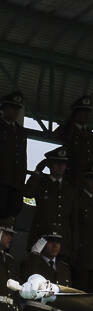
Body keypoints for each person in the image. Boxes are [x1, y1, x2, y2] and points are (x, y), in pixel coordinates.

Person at [0, 92, 26, 220]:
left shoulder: (21, 132)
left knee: (9, 220)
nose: (16, 112)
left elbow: (22, 159)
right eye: (12, 108)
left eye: (17, 109)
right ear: (4, 108)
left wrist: (21, 183)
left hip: (15, 184)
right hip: (1, 181)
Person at [20, 219, 70, 285]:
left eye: (58, 242)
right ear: (41, 242)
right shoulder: (32, 264)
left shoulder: (64, 268)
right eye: (51, 241)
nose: (55, 245)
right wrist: (34, 256)